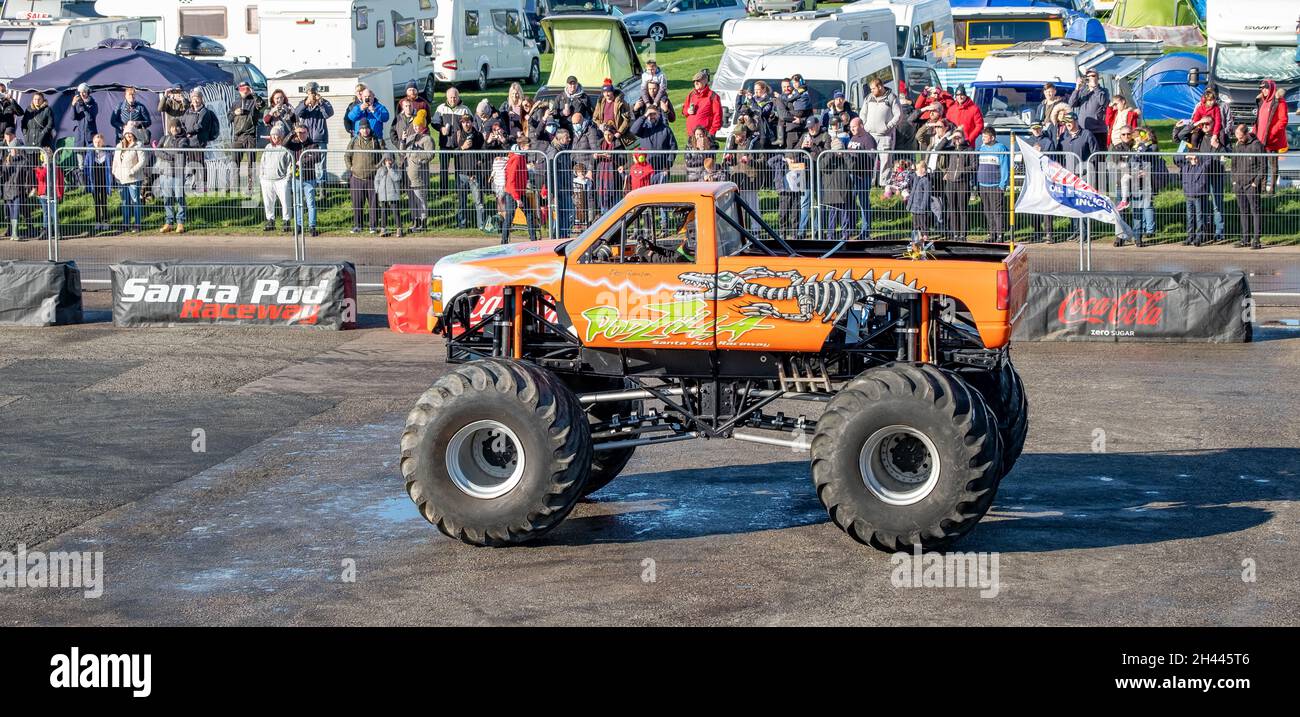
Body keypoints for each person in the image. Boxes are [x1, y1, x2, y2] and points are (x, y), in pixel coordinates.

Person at [1230, 125, 1266, 250]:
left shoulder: (1257, 145)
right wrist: (1234, 181)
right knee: (1243, 211)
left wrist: (1256, 182)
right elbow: (1233, 165)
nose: (1239, 139)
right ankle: (1245, 239)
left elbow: (1263, 166)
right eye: (1237, 137)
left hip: (1251, 184)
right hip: (1239, 184)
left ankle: (1256, 240)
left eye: (1240, 137)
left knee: (1255, 211)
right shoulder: (1237, 146)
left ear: (1246, 134)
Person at [938, 128, 977, 241]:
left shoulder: (969, 150)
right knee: (952, 208)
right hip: (951, 183)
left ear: (964, 138)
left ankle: (963, 234)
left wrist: (961, 171)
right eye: (956, 138)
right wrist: (950, 137)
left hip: (963, 183)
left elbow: (974, 166)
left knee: (962, 209)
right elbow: (938, 148)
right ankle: (955, 233)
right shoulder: (951, 149)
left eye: (959, 137)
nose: (957, 139)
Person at [862, 78, 902, 186]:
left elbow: (898, 115)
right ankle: (872, 183)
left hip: (885, 135)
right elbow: (863, 113)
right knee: (870, 159)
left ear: (880, 87)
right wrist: (865, 125)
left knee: (886, 160)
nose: (871, 91)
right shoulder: (868, 98)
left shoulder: (892, 98)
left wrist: (888, 126)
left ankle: (885, 184)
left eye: (873, 89)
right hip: (870, 134)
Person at [344, 122, 382, 233]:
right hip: (356, 177)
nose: (365, 130)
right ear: (359, 130)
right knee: (357, 203)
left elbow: (383, 155)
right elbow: (347, 155)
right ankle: (358, 226)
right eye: (363, 128)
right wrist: (350, 167)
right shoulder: (354, 141)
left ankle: (373, 226)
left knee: (373, 204)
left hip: (372, 178)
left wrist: (377, 167)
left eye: (367, 128)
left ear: (370, 129)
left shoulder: (376, 140)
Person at [450, 113, 486, 229]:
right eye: (464, 122)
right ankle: (462, 224)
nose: (466, 124)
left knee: (479, 202)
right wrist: (462, 148)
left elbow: (484, 151)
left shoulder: (478, 135)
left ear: (472, 122)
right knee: (462, 202)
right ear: (461, 123)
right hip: (461, 174)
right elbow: (450, 152)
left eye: (468, 121)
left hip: (475, 174)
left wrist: (480, 161)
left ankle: (481, 225)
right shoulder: (457, 135)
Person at [228, 81, 266, 193]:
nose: (244, 91)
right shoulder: (235, 103)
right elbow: (229, 118)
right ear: (238, 90)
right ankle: (235, 187)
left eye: (246, 88)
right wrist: (234, 113)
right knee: (235, 163)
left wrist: (253, 93)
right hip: (238, 136)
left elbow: (262, 105)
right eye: (241, 89)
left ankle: (251, 188)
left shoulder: (254, 101)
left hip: (250, 136)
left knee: (251, 163)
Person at [401, 111, 435, 232]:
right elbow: (402, 152)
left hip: (420, 175)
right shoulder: (411, 137)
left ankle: (423, 223)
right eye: (414, 126)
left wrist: (417, 154)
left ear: (423, 126)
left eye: (418, 125)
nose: (415, 128)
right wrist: (403, 140)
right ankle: (415, 221)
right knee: (412, 200)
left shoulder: (427, 139)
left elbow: (430, 155)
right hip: (409, 175)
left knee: (421, 200)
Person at [286, 124, 322, 237]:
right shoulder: (294, 144)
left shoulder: (313, 145)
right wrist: (292, 133)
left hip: (309, 179)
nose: (300, 135)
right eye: (299, 133)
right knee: (297, 203)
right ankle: (299, 225)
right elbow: (284, 144)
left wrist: (302, 160)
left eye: (303, 132)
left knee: (310, 203)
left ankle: (312, 226)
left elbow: (317, 157)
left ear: (307, 132)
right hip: (296, 178)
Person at [180, 90, 219, 192]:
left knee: (199, 164)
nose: (195, 100)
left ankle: (203, 185)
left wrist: (189, 132)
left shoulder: (204, 112)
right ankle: (194, 184)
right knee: (192, 164)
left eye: (197, 98)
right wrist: (185, 132)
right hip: (189, 142)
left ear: (201, 99)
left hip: (199, 142)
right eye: (193, 98)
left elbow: (200, 125)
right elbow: (182, 122)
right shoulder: (188, 111)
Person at [1255, 79, 1288, 194]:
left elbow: (1283, 121)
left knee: (1273, 165)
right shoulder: (1262, 101)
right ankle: (1263, 188)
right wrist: (1254, 132)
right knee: (1262, 164)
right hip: (1261, 139)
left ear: (1272, 88)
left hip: (1272, 141)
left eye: (1266, 88)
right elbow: (1259, 120)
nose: (1263, 90)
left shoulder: (1279, 101)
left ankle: (1272, 189)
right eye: (1262, 88)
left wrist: (1272, 133)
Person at [844, 117, 876, 239]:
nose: (852, 129)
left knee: (864, 203)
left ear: (861, 126)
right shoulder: (853, 138)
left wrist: (857, 164)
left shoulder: (868, 139)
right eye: (851, 127)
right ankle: (851, 227)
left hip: (863, 176)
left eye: (854, 126)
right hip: (852, 176)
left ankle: (865, 231)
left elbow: (871, 159)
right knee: (850, 202)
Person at [976, 127, 1009, 243]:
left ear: (992, 137)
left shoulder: (1001, 148)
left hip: (995, 185)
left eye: (985, 137)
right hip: (982, 184)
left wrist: (1003, 184)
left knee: (997, 211)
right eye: (982, 136)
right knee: (987, 211)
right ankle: (992, 233)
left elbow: (1005, 166)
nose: (983, 139)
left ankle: (1000, 235)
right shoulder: (982, 148)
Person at [434, 87, 471, 190]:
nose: (453, 99)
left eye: (455, 97)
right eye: (450, 97)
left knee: (459, 168)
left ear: (458, 97)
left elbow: (471, 124)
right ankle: (443, 190)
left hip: (459, 145)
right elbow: (434, 122)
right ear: (447, 97)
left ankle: (459, 189)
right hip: (445, 143)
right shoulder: (441, 108)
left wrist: (464, 132)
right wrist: (441, 128)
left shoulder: (464, 109)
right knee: (443, 168)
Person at [501, 137, 536, 244]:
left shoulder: (521, 157)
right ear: (522, 146)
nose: (530, 148)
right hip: (512, 193)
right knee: (510, 216)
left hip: (520, 191)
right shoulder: (516, 159)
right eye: (529, 146)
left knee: (529, 214)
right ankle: (504, 241)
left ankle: (533, 239)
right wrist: (517, 198)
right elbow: (511, 181)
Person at [259, 126, 294, 232]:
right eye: (273, 135)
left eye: (277, 134)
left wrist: (287, 178)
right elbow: (262, 162)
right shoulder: (267, 147)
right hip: (267, 180)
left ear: (281, 136)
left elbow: (290, 165)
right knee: (268, 202)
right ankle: (270, 221)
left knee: (285, 202)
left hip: (281, 180)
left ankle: (286, 222)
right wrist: (261, 176)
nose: (275, 137)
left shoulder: (285, 149)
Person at [629, 105, 677, 181]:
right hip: (646, 167)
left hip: (662, 168)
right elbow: (633, 130)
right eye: (650, 114)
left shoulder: (665, 129)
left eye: (654, 114)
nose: (652, 116)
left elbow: (673, 146)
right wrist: (644, 116)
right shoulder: (643, 128)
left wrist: (668, 164)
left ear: (658, 114)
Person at [156, 122, 189, 234]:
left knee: (180, 198)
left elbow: (178, 151)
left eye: (177, 127)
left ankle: (180, 222)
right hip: (165, 173)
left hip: (178, 173)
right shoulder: (164, 138)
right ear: (170, 128)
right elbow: (156, 151)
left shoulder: (184, 140)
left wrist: (164, 151)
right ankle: (169, 222)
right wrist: (167, 156)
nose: (174, 129)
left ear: (180, 128)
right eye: (172, 127)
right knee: (167, 199)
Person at [1130, 127, 1159, 244]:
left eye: (1138, 136)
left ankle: (1150, 229)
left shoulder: (1151, 146)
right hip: (1136, 179)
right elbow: (1132, 161)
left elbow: (1151, 160)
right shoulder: (1135, 148)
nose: (1136, 139)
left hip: (1148, 179)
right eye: (1135, 137)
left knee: (1147, 205)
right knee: (1138, 205)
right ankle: (1140, 229)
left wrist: (1142, 146)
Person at [111, 131, 146, 233]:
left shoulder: (138, 145)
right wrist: (114, 171)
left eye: (130, 133)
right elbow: (115, 160)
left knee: (135, 201)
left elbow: (143, 161)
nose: (128, 136)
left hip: (133, 178)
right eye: (126, 134)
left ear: (134, 134)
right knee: (124, 202)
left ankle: (137, 224)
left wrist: (132, 171)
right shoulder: (119, 145)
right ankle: (126, 224)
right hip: (121, 178)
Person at [1068, 69, 1110, 150]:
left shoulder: (1104, 91)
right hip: (1083, 130)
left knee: (1099, 155)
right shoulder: (1083, 91)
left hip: (1098, 131)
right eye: (1088, 76)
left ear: (1098, 78)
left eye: (1093, 76)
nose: (1090, 78)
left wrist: (1095, 88)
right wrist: (1077, 88)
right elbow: (1071, 104)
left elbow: (1103, 102)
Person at [1175, 149, 1210, 247]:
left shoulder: (1202, 165)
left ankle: (1200, 237)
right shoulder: (1185, 165)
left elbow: (1209, 160)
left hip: (1199, 194)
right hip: (1189, 195)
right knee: (1190, 217)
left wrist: (1198, 157)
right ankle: (1190, 236)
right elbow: (1175, 159)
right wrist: (1185, 156)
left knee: (1200, 217)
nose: (1191, 158)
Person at [82, 134, 114, 234]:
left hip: (104, 181)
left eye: (99, 142)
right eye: (96, 142)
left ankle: (106, 221)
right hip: (94, 181)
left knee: (104, 201)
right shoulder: (90, 153)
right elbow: (86, 166)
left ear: (103, 142)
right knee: (96, 201)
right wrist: (86, 180)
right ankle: (98, 221)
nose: (97, 144)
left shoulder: (107, 153)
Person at [1, 140, 29, 241]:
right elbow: (3, 175)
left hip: (18, 191)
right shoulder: (6, 161)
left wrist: (27, 188)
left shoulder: (23, 161)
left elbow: (27, 175)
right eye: (12, 149)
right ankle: (13, 232)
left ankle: (14, 233)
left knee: (16, 212)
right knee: (11, 212)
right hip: (8, 191)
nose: (13, 150)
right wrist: (6, 166)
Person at [682, 70, 722, 138]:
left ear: (705, 81)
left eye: (698, 81)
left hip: (705, 134)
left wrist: (712, 132)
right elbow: (684, 111)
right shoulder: (691, 94)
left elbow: (718, 115)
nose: (696, 83)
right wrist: (687, 111)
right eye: (694, 81)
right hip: (691, 134)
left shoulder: (712, 96)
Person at [592, 80, 631, 144]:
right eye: (604, 92)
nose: (606, 94)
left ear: (612, 92)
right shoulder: (600, 102)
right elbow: (595, 118)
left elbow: (627, 119)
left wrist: (619, 132)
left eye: (608, 92)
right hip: (605, 135)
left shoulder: (621, 103)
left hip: (618, 137)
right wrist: (600, 125)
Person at [374, 154, 404, 237]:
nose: (388, 162)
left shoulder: (396, 168)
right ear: (384, 161)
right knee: (383, 212)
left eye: (390, 160)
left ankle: (399, 229)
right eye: (386, 160)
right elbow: (376, 180)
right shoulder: (380, 169)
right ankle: (383, 229)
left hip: (393, 194)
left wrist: (390, 169)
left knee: (395, 211)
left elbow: (397, 178)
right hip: (383, 194)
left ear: (393, 160)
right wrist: (377, 189)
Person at [908, 161, 935, 241]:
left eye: (918, 169)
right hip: (914, 206)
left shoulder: (926, 180)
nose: (916, 171)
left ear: (923, 169)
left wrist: (923, 206)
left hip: (922, 208)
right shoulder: (916, 178)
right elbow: (912, 191)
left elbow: (926, 195)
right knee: (915, 224)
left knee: (923, 224)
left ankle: (925, 238)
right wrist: (910, 204)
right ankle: (915, 240)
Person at [71, 83, 98, 149]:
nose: (82, 94)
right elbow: (72, 117)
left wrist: (83, 106)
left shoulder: (93, 104)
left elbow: (90, 118)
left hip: (90, 138)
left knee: (90, 155)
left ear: (88, 92)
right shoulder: (77, 104)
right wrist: (73, 106)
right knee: (79, 155)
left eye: (84, 92)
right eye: (80, 92)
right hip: (80, 138)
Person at [571, 162, 592, 229]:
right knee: (578, 212)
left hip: (585, 198)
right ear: (576, 173)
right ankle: (577, 226)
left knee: (585, 212)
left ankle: (585, 225)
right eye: (579, 172)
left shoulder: (587, 180)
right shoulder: (574, 180)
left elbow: (589, 189)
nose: (581, 173)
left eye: (582, 171)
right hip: (577, 199)